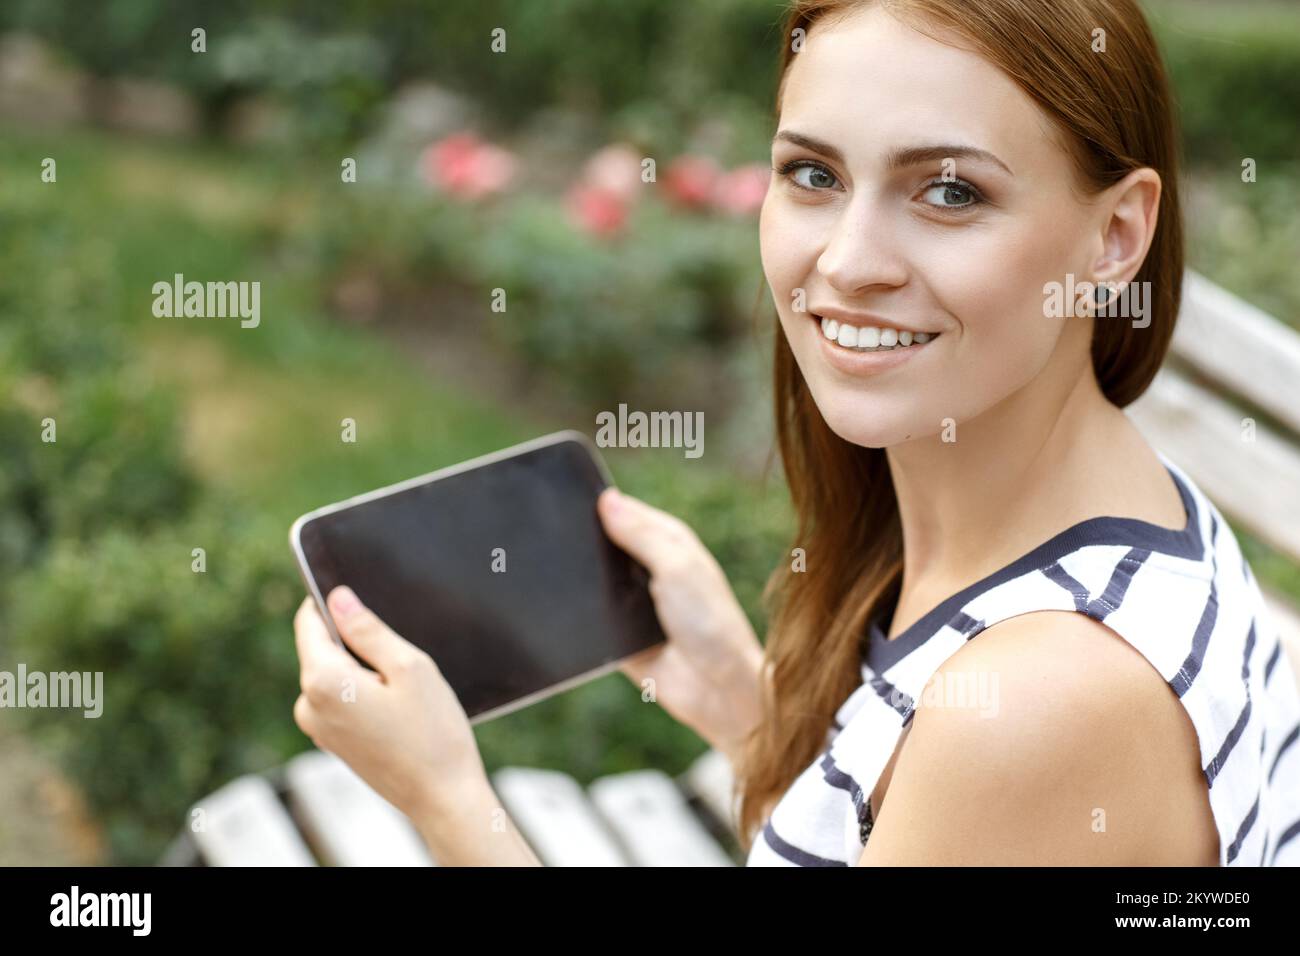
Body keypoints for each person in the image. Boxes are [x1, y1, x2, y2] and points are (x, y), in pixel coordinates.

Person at [292, 0, 1300, 866]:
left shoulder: (1042, 703)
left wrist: (450, 809)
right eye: (813, 175)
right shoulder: (1069, 506)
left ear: (1115, 236)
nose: (849, 260)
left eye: (950, 191)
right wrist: (745, 701)